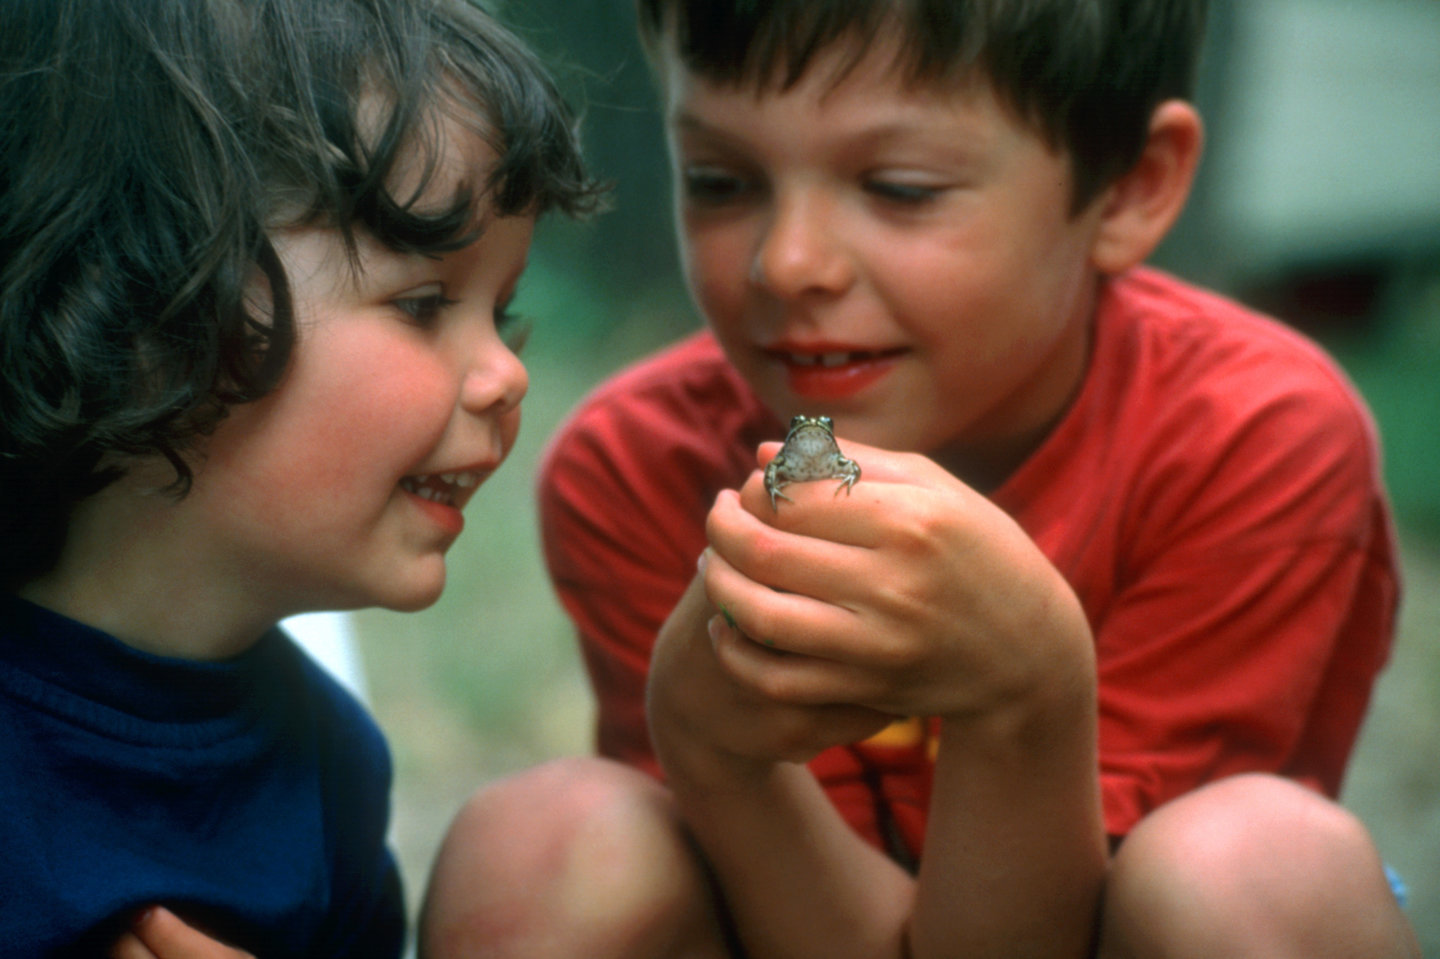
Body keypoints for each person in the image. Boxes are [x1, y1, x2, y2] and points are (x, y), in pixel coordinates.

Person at [421, 1, 1421, 957]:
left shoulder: (1252, 440)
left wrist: (1029, 688)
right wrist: (711, 752)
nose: (788, 262)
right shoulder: (642, 468)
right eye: (721, 181)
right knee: (535, 849)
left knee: (1260, 868)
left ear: (1129, 186)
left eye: (900, 188)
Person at [0, 0, 600, 955]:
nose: (507, 374)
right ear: (147, 299)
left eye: (501, 311)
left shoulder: (330, 764)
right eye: (423, 303)